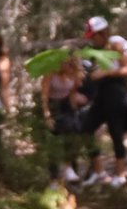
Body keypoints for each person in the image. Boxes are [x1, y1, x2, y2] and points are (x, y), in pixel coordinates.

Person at [81, 14, 127, 185]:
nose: (93, 40)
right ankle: (99, 171)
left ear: (102, 33)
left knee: (116, 132)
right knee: (86, 128)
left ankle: (120, 175)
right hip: (100, 93)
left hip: (116, 91)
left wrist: (107, 72)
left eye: (94, 36)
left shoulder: (116, 43)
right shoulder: (91, 52)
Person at [39, 48, 96, 183]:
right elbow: (44, 95)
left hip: (65, 105)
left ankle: (69, 167)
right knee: (53, 140)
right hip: (52, 104)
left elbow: (72, 93)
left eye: (70, 63)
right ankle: (53, 176)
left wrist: (74, 111)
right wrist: (46, 114)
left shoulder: (74, 74)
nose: (67, 66)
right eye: (64, 62)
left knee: (73, 131)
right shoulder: (50, 72)